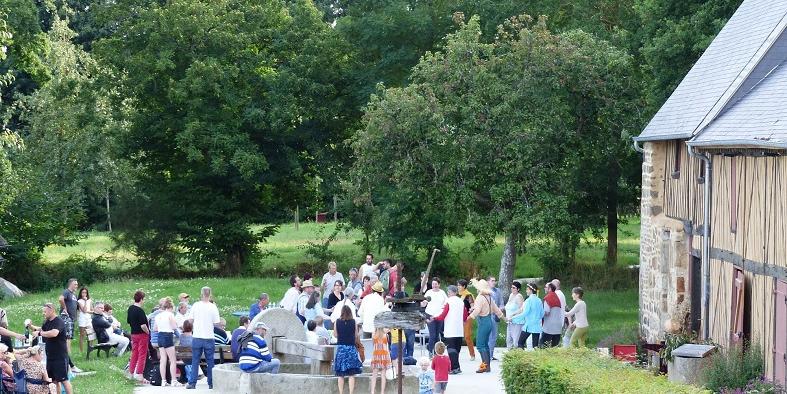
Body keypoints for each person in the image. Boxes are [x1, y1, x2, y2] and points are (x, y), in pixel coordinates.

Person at [30, 303, 73, 394]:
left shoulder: (59, 321)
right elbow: (41, 329)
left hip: (60, 356)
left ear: (52, 310)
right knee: (54, 381)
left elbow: (54, 333)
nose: (43, 313)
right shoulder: (47, 322)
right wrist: (31, 326)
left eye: (45, 311)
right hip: (50, 356)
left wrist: (40, 334)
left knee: (64, 379)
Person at [187, 286, 221, 390]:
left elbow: (190, 321)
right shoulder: (213, 307)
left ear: (201, 294)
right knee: (210, 361)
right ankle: (211, 383)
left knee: (195, 360)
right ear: (210, 294)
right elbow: (217, 323)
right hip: (209, 337)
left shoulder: (195, 305)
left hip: (197, 336)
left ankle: (192, 383)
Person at [468, 279, 503, 373]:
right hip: (490, 321)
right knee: (485, 345)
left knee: (480, 345)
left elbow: (478, 310)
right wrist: (503, 317)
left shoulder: (480, 297)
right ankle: (487, 366)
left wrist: (470, 317)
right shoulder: (489, 297)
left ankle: (484, 366)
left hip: (484, 321)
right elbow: (497, 309)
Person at [432, 285, 464, 374]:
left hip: (450, 329)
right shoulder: (461, 301)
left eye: (448, 292)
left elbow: (443, 314)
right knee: (457, 350)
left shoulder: (449, 301)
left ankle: (455, 368)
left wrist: (434, 318)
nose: (448, 293)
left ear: (450, 292)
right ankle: (457, 367)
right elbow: (464, 315)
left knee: (451, 350)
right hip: (459, 330)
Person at [333, 305, 363, 394]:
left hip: (341, 349)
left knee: (340, 374)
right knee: (351, 374)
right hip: (351, 349)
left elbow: (335, 335)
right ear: (350, 312)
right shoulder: (353, 322)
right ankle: (351, 392)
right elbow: (356, 334)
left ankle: (341, 392)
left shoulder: (337, 322)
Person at [154, 297, 180, 386]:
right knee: (172, 360)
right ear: (170, 307)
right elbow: (174, 327)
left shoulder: (158, 316)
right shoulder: (170, 315)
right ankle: (173, 380)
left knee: (163, 359)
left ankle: (163, 381)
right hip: (168, 336)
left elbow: (155, 329)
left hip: (160, 337)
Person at [57, 278, 81, 373]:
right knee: (67, 339)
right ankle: (68, 365)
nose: (76, 286)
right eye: (75, 284)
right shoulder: (67, 292)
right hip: (66, 319)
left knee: (69, 338)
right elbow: (60, 299)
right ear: (70, 284)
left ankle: (69, 363)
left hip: (71, 319)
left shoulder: (73, 294)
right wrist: (65, 308)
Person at [127, 290, 150, 383]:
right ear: (141, 299)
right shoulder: (140, 311)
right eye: (143, 299)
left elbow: (129, 321)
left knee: (134, 353)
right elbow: (143, 325)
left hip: (133, 334)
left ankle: (131, 373)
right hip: (142, 335)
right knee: (142, 354)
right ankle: (139, 374)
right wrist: (148, 332)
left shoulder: (130, 308)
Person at [423, 277, 447, 354]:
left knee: (437, 335)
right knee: (432, 334)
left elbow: (446, 303)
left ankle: (437, 352)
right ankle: (430, 352)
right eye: (433, 284)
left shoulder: (442, 293)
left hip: (439, 316)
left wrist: (443, 311)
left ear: (439, 285)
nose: (434, 285)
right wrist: (423, 303)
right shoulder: (429, 292)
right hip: (430, 315)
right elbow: (425, 302)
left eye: (436, 284)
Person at [517, 283, 543, 350]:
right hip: (537, 326)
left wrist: (513, 318)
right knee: (535, 346)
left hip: (528, 326)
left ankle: (521, 358)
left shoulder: (528, 301)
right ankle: (538, 359)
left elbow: (525, 313)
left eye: (527, 289)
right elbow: (542, 314)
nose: (526, 291)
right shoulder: (539, 300)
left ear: (531, 290)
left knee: (520, 343)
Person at [457, 279, 476, 360]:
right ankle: (456, 353)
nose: (458, 287)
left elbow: (472, 306)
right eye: (457, 285)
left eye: (459, 285)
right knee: (457, 336)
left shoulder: (468, 295)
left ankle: (472, 354)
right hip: (457, 318)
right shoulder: (457, 295)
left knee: (467, 336)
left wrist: (471, 309)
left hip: (467, 318)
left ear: (464, 286)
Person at [487, 276, 504, 361]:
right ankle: (487, 355)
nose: (494, 282)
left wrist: (500, 309)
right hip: (487, 316)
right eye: (492, 281)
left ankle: (491, 354)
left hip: (495, 316)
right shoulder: (485, 291)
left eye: (495, 281)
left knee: (494, 336)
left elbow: (501, 303)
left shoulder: (498, 291)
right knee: (488, 336)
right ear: (488, 282)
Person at [540, 283, 563, 348]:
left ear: (549, 289)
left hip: (549, 327)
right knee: (554, 349)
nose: (544, 288)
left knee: (543, 348)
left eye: (545, 287)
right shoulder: (557, 297)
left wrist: (539, 313)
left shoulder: (547, 298)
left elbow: (547, 312)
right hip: (558, 327)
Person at [370, 327, 391, 394]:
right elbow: (387, 346)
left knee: (374, 375)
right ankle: (382, 392)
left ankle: (372, 392)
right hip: (384, 355)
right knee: (383, 375)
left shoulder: (374, 334)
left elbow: (373, 344)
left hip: (376, 354)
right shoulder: (386, 335)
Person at [504, 281, 524, 349]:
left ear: (518, 289)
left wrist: (513, 315)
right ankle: (510, 356)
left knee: (516, 341)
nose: (512, 289)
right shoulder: (511, 295)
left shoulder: (519, 296)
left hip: (517, 322)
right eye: (511, 287)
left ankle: (517, 356)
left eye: (514, 288)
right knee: (508, 340)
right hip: (509, 321)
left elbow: (521, 309)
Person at [551, 279, 568, 347]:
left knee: (553, 339)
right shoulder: (561, 294)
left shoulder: (556, 294)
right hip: (560, 319)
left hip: (556, 319)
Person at [76, 286, 93, 353]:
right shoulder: (79, 301)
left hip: (88, 318)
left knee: (90, 334)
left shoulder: (90, 300)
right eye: (83, 292)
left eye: (85, 293)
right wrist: (85, 301)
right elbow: (84, 310)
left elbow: (92, 310)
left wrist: (88, 311)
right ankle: (81, 350)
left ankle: (90, 348)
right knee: (82, 334)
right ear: (81, 293)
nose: (84, 294)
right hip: (82, 318)